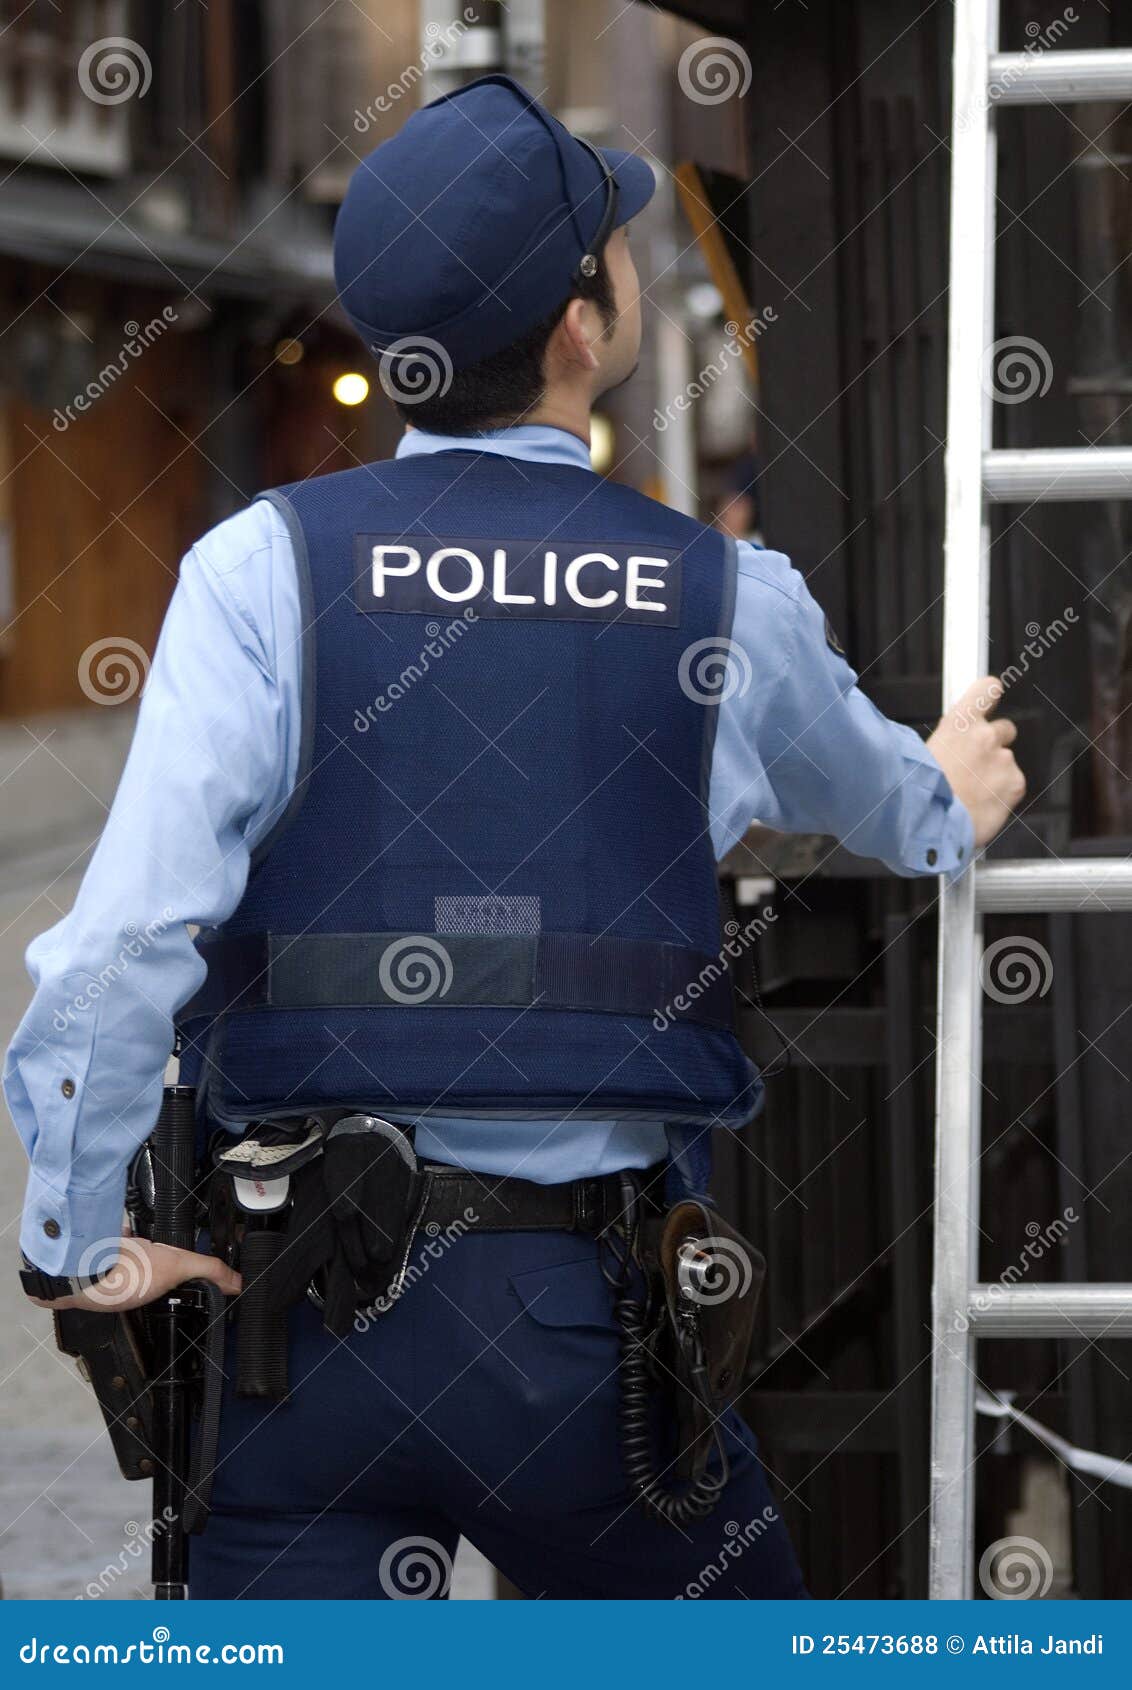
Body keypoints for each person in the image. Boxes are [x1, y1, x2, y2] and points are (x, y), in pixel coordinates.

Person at [5, 74, 1024, 1600]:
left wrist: (69, 1249)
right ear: (582, 325)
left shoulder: (254, 573)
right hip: (588, 1344)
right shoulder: (717, 595)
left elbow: (122, 946)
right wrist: (950, 785)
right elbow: (894, 807)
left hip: (296, 1341)